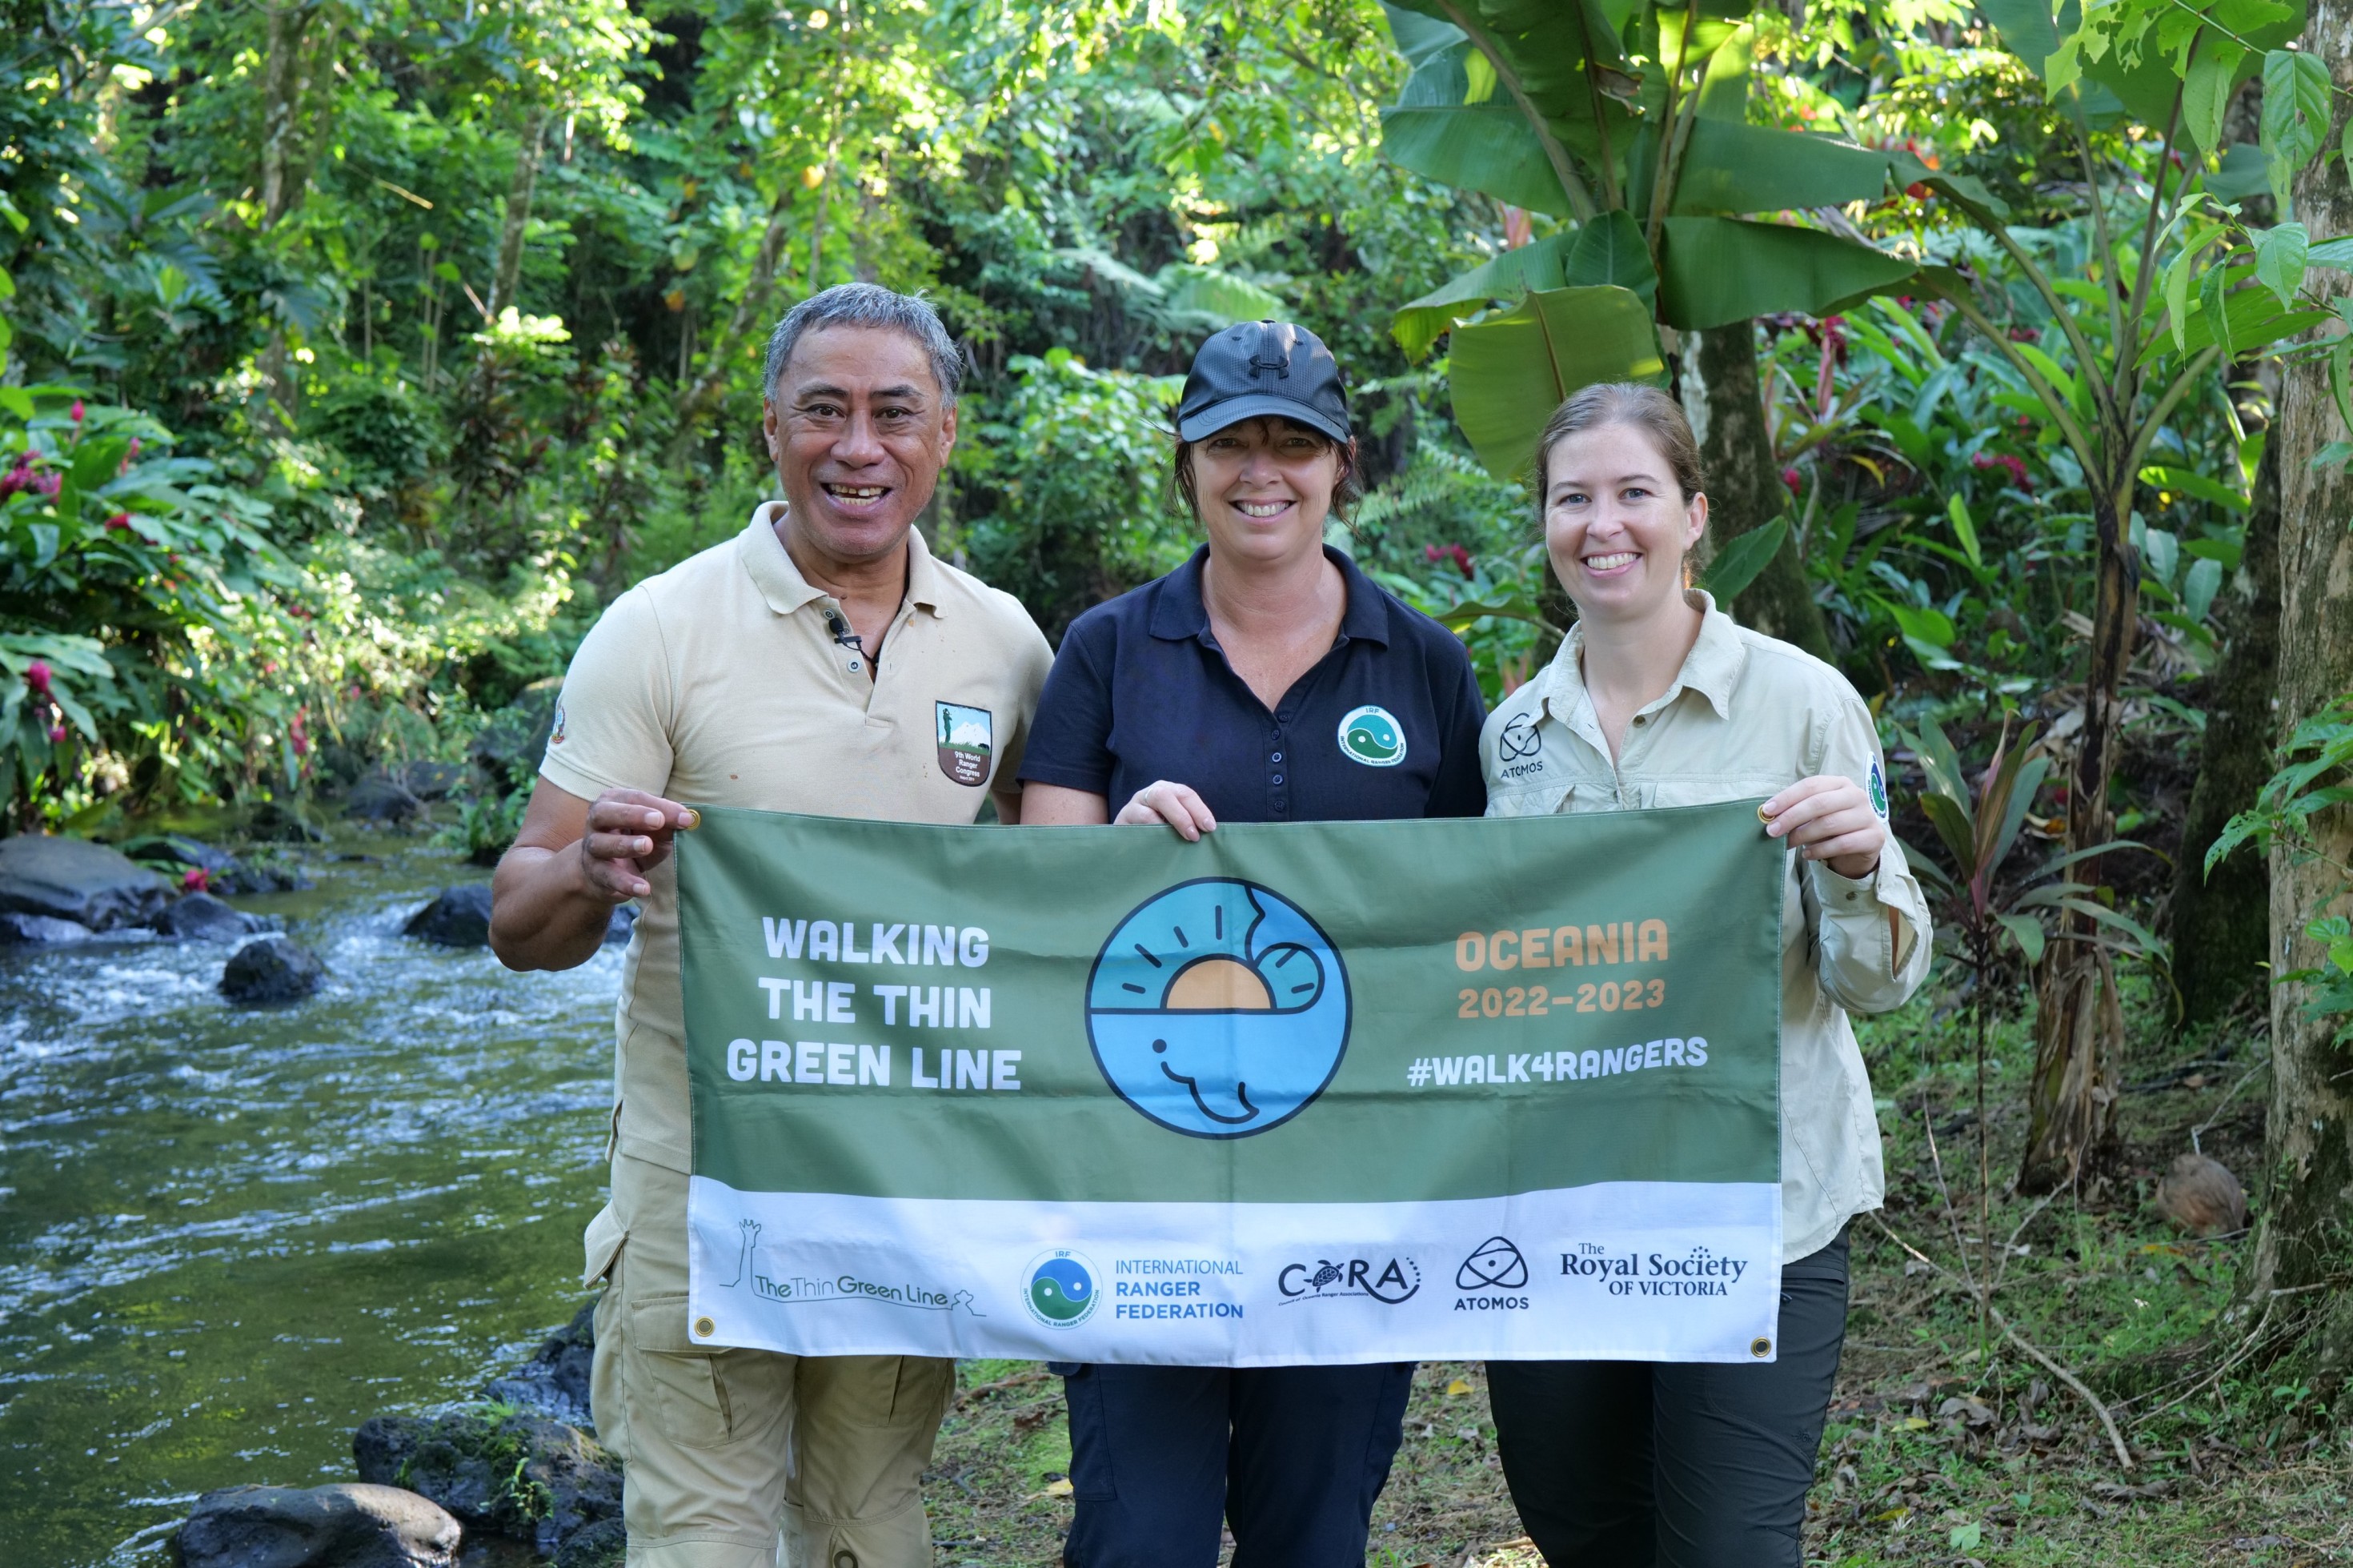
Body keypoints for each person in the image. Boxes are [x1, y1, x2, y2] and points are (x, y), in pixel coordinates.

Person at [487, 283, 1053, 1568]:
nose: (859, 448)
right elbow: (519, 921)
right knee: (703, 1540)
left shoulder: (1005, 646)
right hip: (699, 1189)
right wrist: (587, 864)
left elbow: (1061, 887)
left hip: (901, 1182)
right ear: (771, 429)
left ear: (944, 435)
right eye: (823, 411)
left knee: (871, 1531)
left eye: (894, 414)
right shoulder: (659, 631)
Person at [1018, 319, 1489, 1566]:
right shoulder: (1107, 651)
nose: (1261, 471)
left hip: (1355, 1197)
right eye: (1231, 443)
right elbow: (1039, 909)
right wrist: (1114, 855)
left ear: (1342, 464)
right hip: (1142, 1188)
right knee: (1141, 1541)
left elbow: (1470, 930)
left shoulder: (1426, 666)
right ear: (1186, 463)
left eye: (1295, 442)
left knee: (1313, 1537)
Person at [1477, 383, 1931, 1566]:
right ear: (1545, 523)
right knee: (1583, 1527)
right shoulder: (1514, 735)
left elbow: (1877, 986)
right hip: (1566, 1208)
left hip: (1760, 1212)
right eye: (1572, 498)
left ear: (1693, 515)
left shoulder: (1805, 704)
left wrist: (1859, 864)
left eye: (1634, 492)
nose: (1602, 525)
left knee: (1729, 1547)